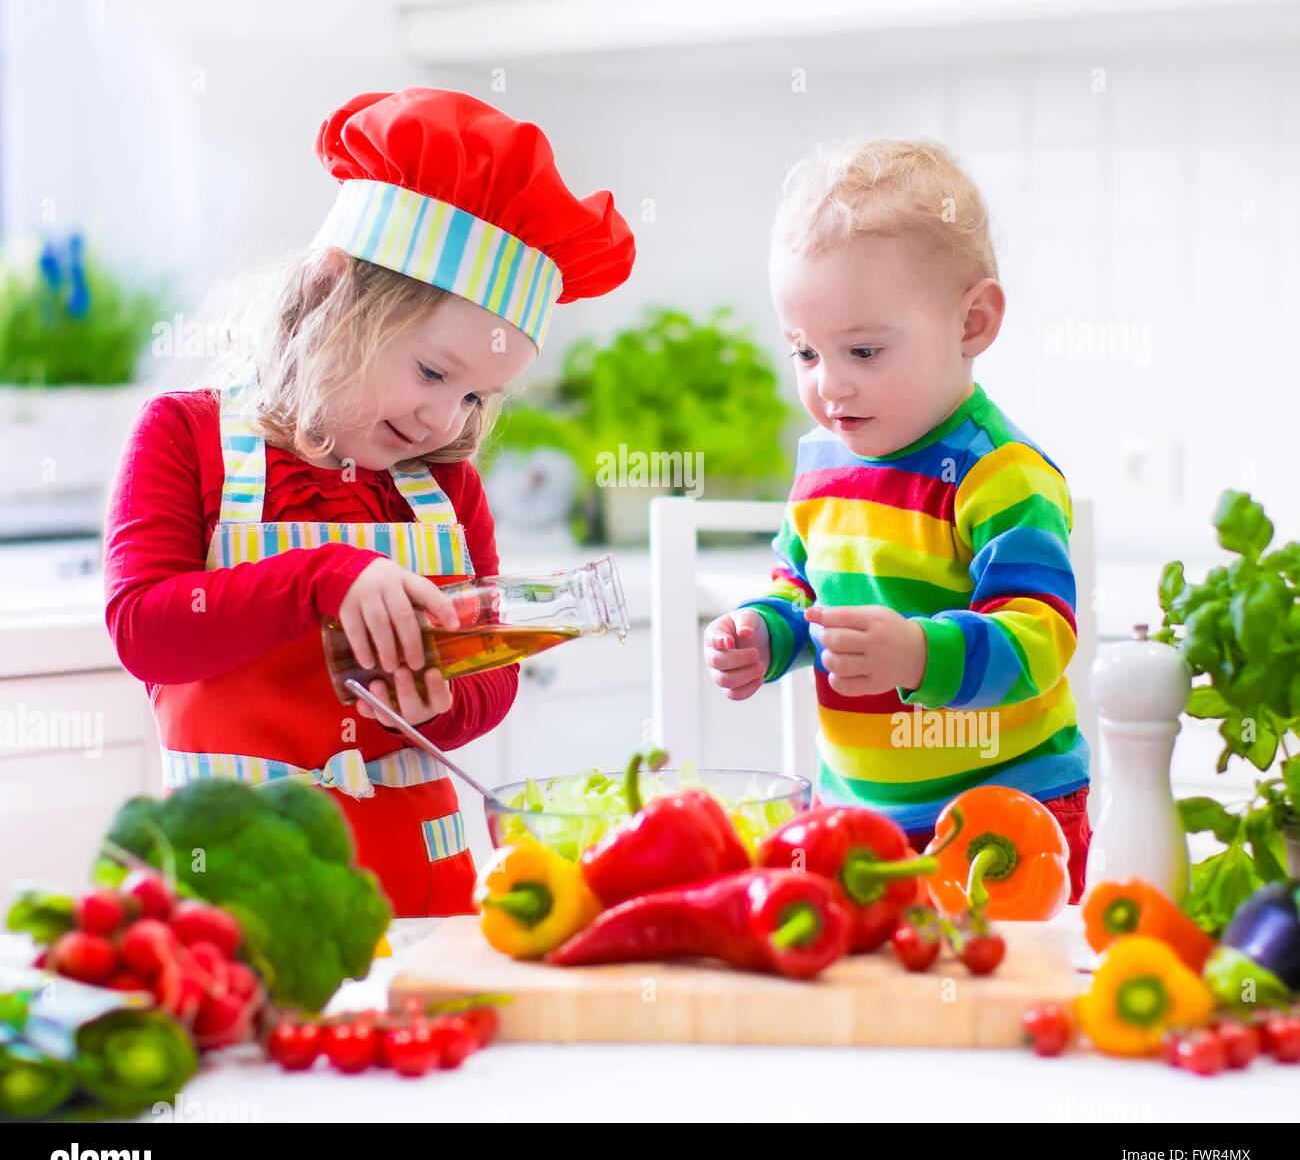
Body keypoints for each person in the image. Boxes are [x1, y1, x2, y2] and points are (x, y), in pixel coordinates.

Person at [104, 87, 635, 917]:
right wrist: (320, 577)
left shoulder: (444, 484)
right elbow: (145, 632)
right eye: (431, 372)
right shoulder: (187, 436)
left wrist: (448, 697)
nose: (442, 418)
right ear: (332, 296)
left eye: (475, 398)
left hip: (423, 893)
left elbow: (493, 671)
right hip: (234, 900)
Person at [703, 138, 1091, 902]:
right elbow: (798, 591)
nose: (830, 385)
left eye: (865, 350)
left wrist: (919, 654)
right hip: (856, 821)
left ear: (972, 323)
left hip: (1002, 817)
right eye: (805, 352)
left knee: (982, 1000)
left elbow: (1042, 637)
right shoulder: (822, 462)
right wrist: (766, 632)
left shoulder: (999, 473)